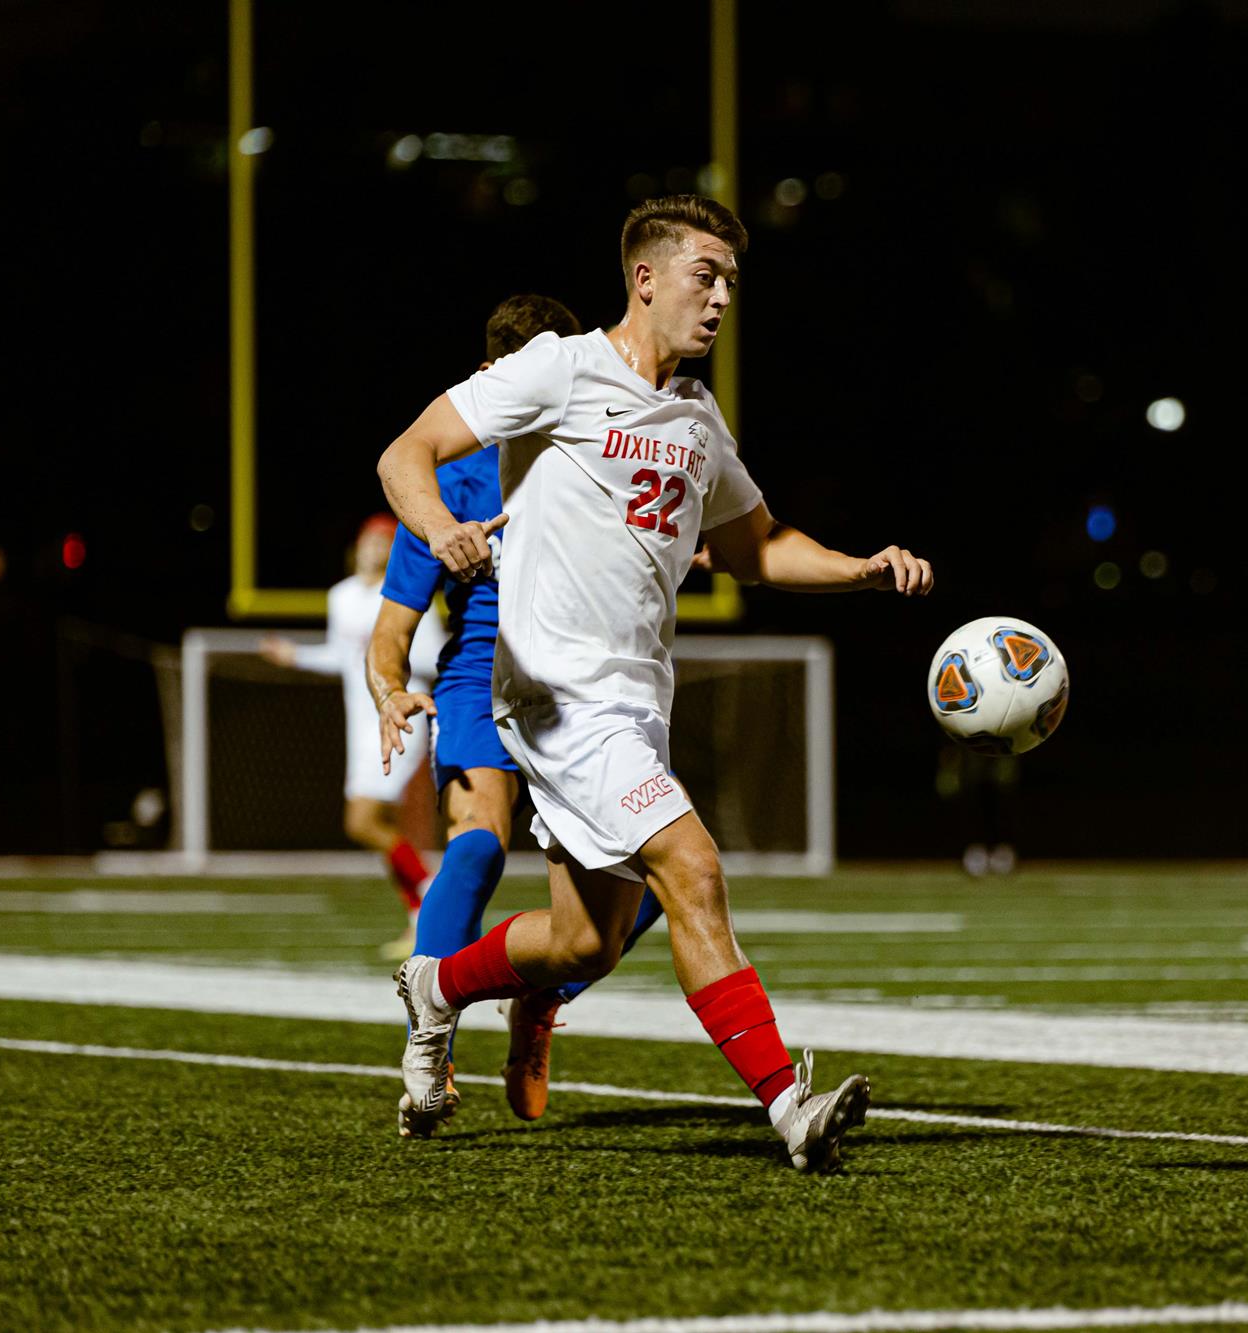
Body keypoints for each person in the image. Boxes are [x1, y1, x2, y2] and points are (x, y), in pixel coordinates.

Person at [376, 194, 934, 1173]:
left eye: (730, 283)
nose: (720, 299)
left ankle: (435, 986)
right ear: (644, 278)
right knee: (693, 868)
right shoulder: (559, 367)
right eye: (703, 276)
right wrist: (437, 526)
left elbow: (754, 549)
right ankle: (788, 1106)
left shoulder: (694, 415)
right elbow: (404, 453)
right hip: (554, 696)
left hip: (632, 706)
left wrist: (859, 568)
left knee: (587, 940)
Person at [370, 292, 664, 1135]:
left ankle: (541, 995)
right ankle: (429, 1041)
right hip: (478, 675)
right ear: (501, 375)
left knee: (666, 872)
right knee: (478, 843)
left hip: (576, 683)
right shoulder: (453, 472)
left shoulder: (601, 448)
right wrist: (392, 690)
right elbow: (392, 630)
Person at [261, 516, 445, 957]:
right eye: (370, 538)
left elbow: (433, 659)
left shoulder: (405, 592)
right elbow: (342, 658)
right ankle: (421, 918)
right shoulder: (341, 596)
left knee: (361, 821)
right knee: (382, 826)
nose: (375, 546)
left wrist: (395, 670)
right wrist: (295, 656)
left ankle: (430, 891)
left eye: (385, 540)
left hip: (399, 720)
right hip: (359, 726)